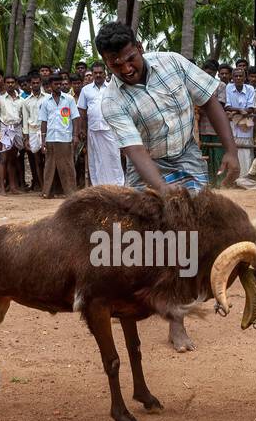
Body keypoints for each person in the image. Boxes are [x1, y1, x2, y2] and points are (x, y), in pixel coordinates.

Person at [94, 20, 238, 352]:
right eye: (115, 65)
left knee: (188, 236)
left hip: (186, 152)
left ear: (139, 47)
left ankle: (177, 321)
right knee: (137, 239)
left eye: (130, 59)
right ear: (105, 62)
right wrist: (162, 189)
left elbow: (209, 101)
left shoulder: (173, 62)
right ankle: (128, 300)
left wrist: (230, 150)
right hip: (147, 165)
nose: (126, 69)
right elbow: (135, 151)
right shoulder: (111, 100)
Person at [77, 61, 123, 186]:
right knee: (96, 159)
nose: (98, 75)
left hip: (110, 129)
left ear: (105, 73)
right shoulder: (86, 90)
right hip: (93, 130)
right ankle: (99, 186)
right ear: (92, 74)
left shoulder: (113, 88)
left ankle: (117, 186)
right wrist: (81, 129)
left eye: (100, 73)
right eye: (95, 73)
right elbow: (82, 111)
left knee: (113, 157)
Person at [38, 73, 79, 198]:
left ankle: (70, 192)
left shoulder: (69, 99)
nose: (58, 86)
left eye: (60, 84)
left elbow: (75, 118)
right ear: (50, 85)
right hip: (50, 138)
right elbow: (43, 122)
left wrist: (75, 135)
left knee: (67, 165)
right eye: (56, 84)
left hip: (65, 137)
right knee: (50, 166)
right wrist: (43, 140)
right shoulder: (45, 102)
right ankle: (48, 192)